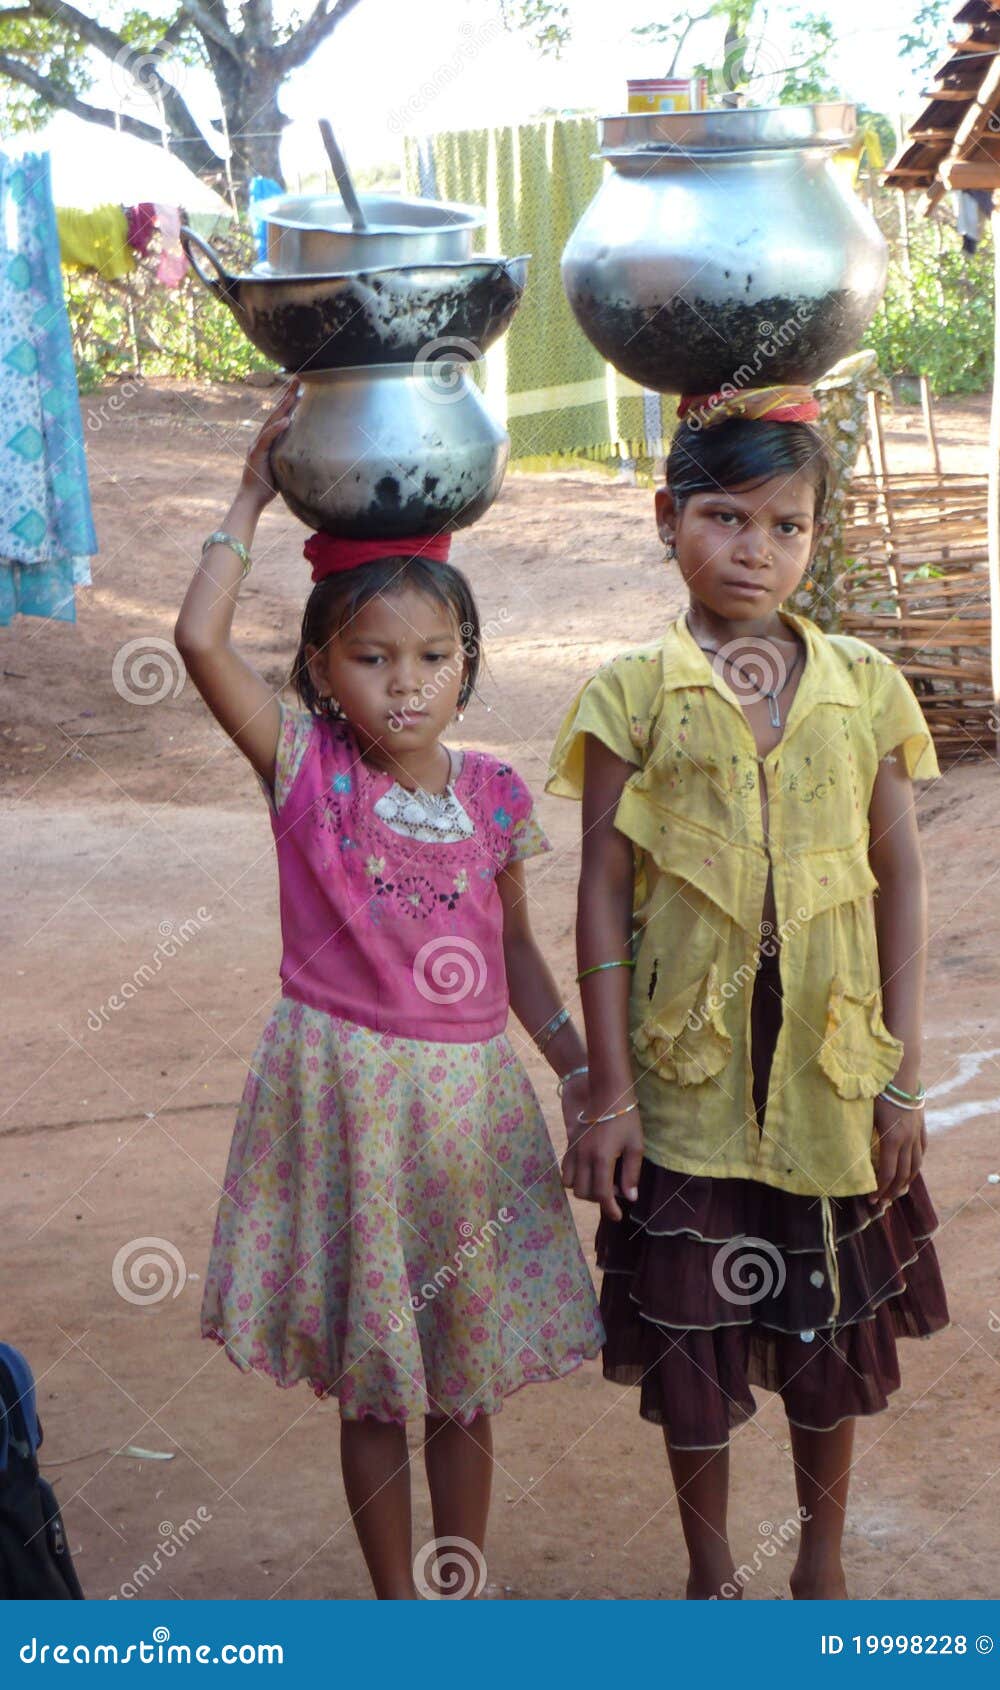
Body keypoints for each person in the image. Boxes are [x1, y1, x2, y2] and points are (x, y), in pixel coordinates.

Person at [174, 384, 603, 1600]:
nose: (403, 684)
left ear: (469, 662)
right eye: (369, 659)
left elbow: (516, 954)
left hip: (466, 1112)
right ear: (321, 667)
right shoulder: (305, 770)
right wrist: (249, 495)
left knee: (459, 1375)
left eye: (431, 657)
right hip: (347, 1101)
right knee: (378, 1380)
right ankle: (394, 1613)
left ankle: (457, 1598)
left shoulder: (499, 798)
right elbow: (199, 644)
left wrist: (576, 1066)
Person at [548, 385, 950, 1601]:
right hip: (689, 1074)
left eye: (787, 525)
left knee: (829, 1331)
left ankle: (819, 1572)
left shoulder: (866, 686)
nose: (755, 550)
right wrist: (607, 1090)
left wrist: (903, 1073)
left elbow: (902, 876)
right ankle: (709, 1570)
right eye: (725, 518)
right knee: (694, 1331)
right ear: (668, 518)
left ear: (814, 536)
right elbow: (600, 895)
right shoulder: (632, 693)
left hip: (831, 1069)